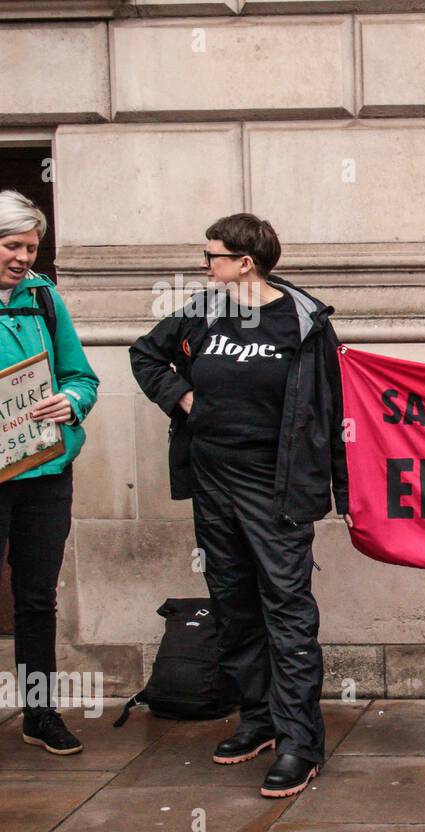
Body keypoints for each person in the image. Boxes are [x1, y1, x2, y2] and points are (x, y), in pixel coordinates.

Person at [130, 213, 349, 797]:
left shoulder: (303, 323)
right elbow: (146, 356)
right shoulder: (202, 313)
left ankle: (301, 740)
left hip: (274, 488)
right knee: (233, 602)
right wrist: (185, 399)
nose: (205, 266)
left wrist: (342, 492)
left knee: (287, 609)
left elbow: (330, 412)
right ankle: (258, 720)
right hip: (213, 484)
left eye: (212, 256)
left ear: (244, 262)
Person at [0, 190, 100, 754]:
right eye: (12, 245)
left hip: (43, 472)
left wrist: (71, 401)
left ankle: (39, 714)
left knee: (37, 597)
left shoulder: (44, 298)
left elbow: (80, 375)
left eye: (31, 247)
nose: (23, 257)